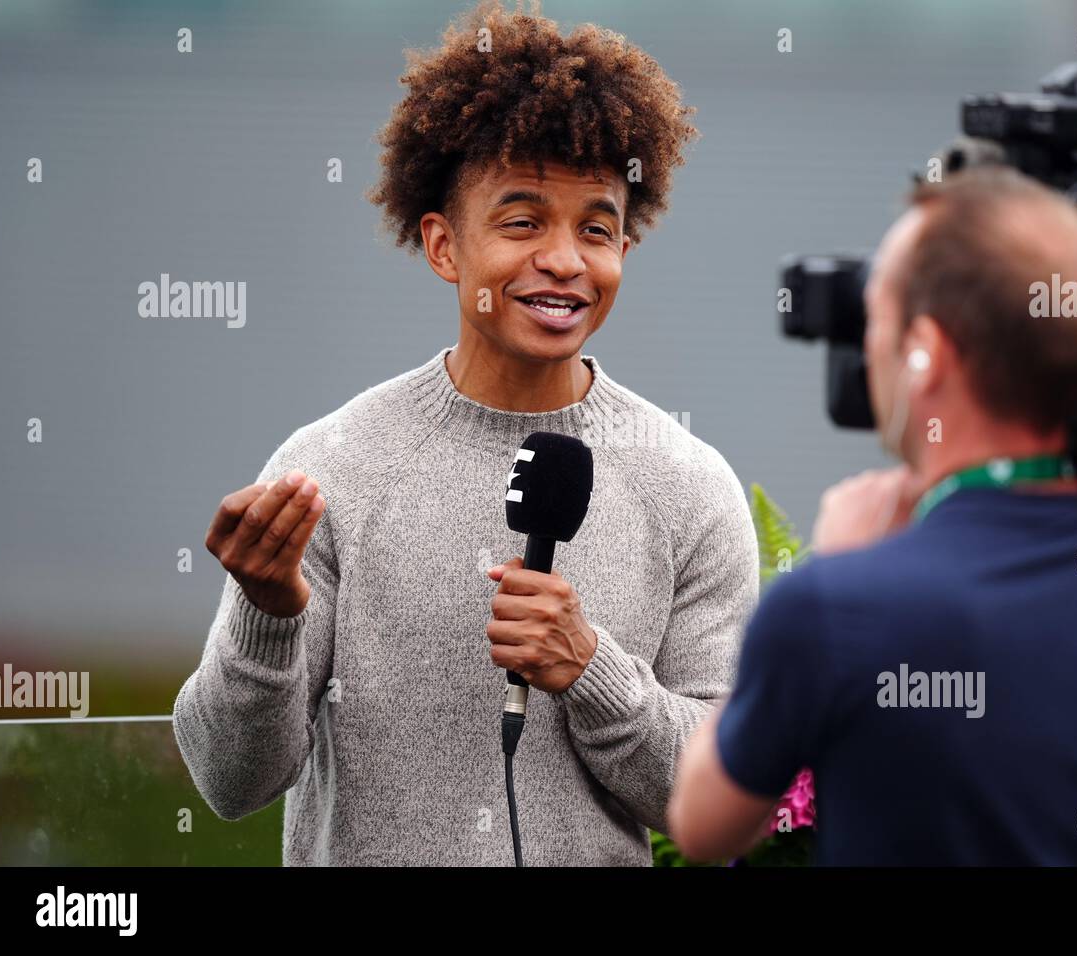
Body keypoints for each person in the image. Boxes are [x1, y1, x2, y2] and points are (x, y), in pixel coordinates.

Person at [173, 0, 759, 865]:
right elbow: (230, 782)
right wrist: (269, 616)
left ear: (622, 254)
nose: (564, 259)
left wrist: (589, 667)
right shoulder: (333, 466)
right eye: (523, 221)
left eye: (596, 228)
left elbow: (725, 805)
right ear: (444, 247)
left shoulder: (691, 486)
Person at [668, 166, 1077, 865]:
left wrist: (838, 573)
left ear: (927, 351)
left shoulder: (834, 608)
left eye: (876, 315)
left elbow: (702, 824)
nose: (866, 346)